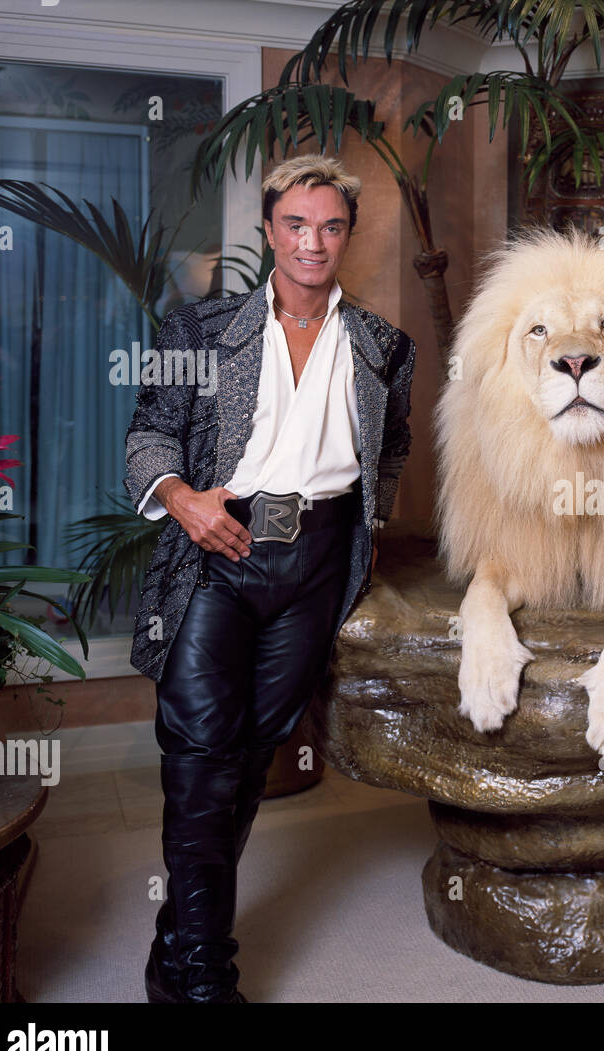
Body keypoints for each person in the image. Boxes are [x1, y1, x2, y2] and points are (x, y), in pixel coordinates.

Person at [124, 154, 415, 1002]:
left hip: (314, 564)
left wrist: (362, 531)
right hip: (220, 549)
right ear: (269, 230)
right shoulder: (200, 330)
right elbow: (148, 435)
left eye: (329, 225)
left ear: (347, 235)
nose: (312, 241)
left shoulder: (382, 344)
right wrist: (182, 500)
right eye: (296, 224)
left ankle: (179, 942)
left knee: (250, 758)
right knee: (200, 753)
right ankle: (207, 975)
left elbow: (387, 454)